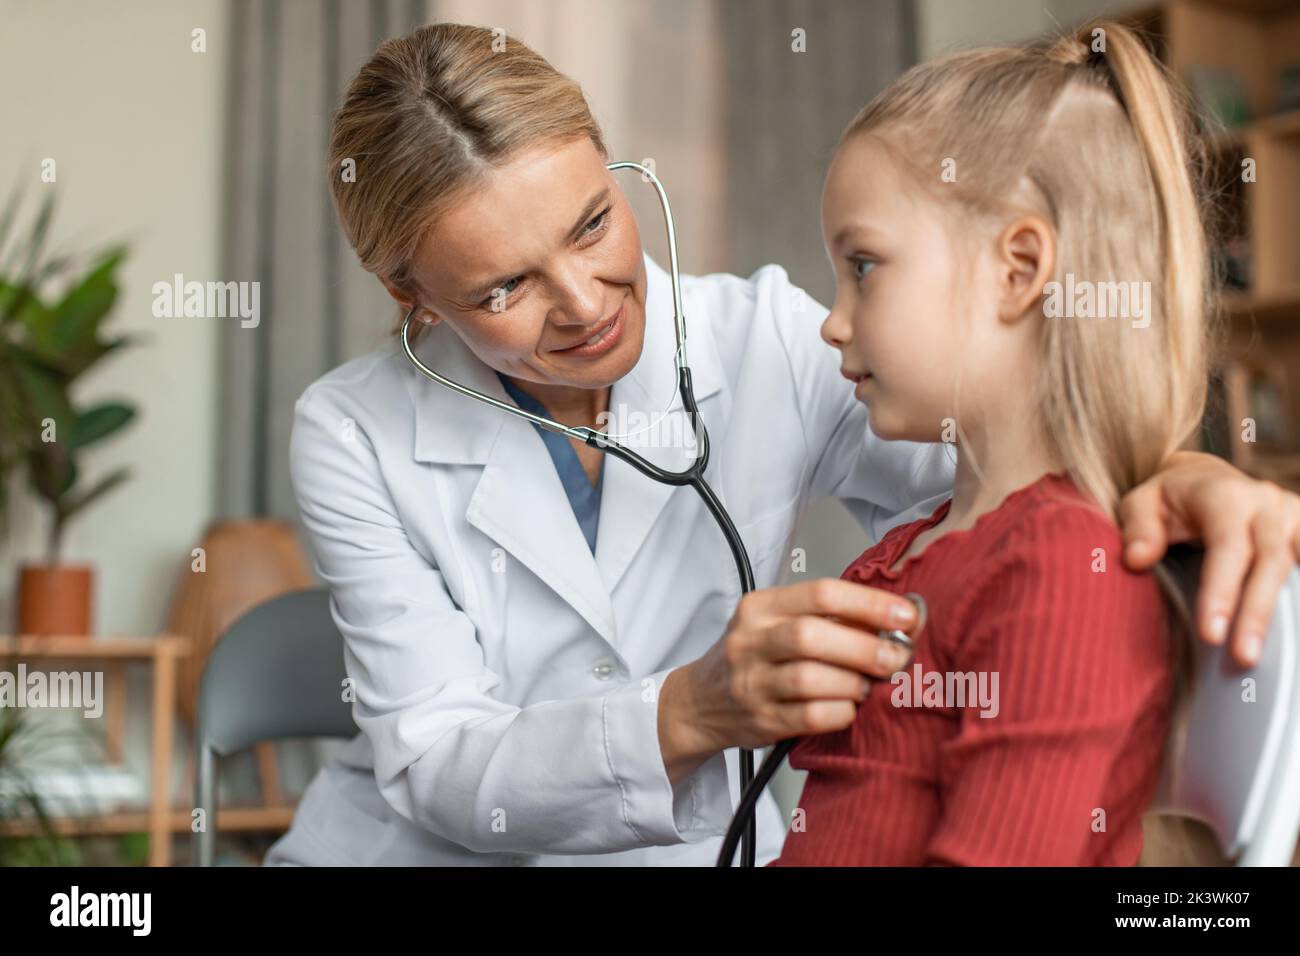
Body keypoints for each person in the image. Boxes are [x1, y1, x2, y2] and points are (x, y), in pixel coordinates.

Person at [264, 23, 1300, 867]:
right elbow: (440, 760)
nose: (583, 304)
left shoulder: (760, 338)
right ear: (414, 299)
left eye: (590, 224)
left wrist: (1186, 474)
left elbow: (1005, 472)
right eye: (503, 287)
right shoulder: (353, 429)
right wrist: (690, 707)